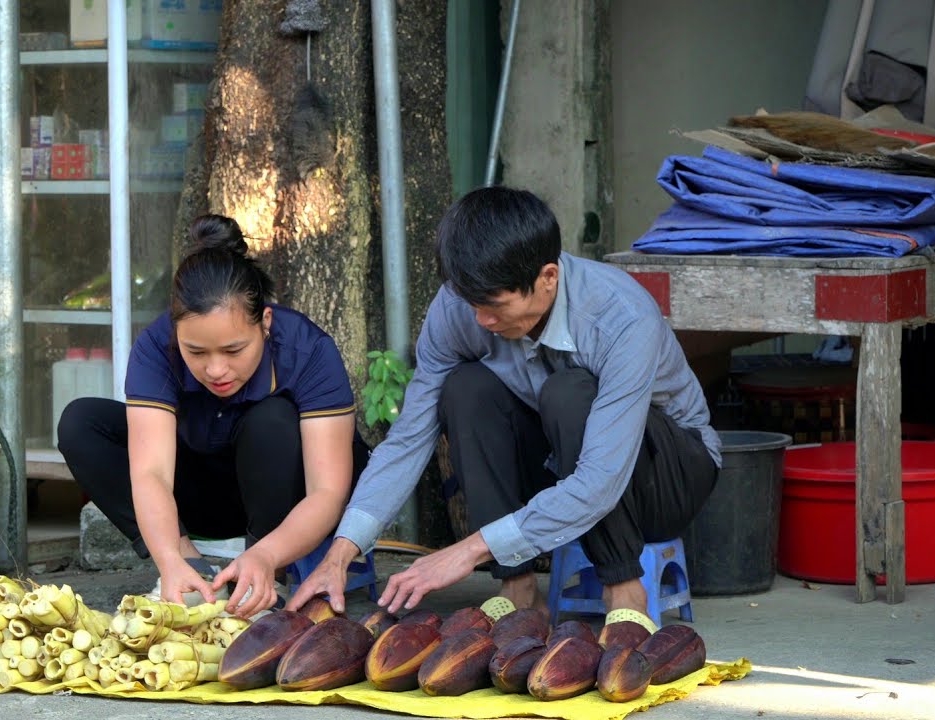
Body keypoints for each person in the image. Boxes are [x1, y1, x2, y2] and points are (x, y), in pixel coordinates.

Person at [288, 187, 720, 630]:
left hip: (661, 477)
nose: (481, 321)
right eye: (472, 303)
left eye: (493, 306)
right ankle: (518, 590)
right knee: (465, 388)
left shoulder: (620, 318)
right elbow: (408, 441)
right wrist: (341, 552)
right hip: (557, 470)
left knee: (570, 394)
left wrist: (469, 550)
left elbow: (599, 482)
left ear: (548, 277)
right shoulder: (459, 308)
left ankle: (623, 589)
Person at [59, 214, 368, 619]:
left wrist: (265, 554)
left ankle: (262, 578)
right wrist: (170, 558)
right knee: (81, 422)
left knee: (273, 418)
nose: (216, 370)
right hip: (200, 489)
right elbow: (151, 473)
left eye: (234, 350)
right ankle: (191, 572)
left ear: (266, 324)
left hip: (288, 498)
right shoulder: (156, 346)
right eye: (197, 353)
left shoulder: (308, 350)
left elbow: (327, 492)